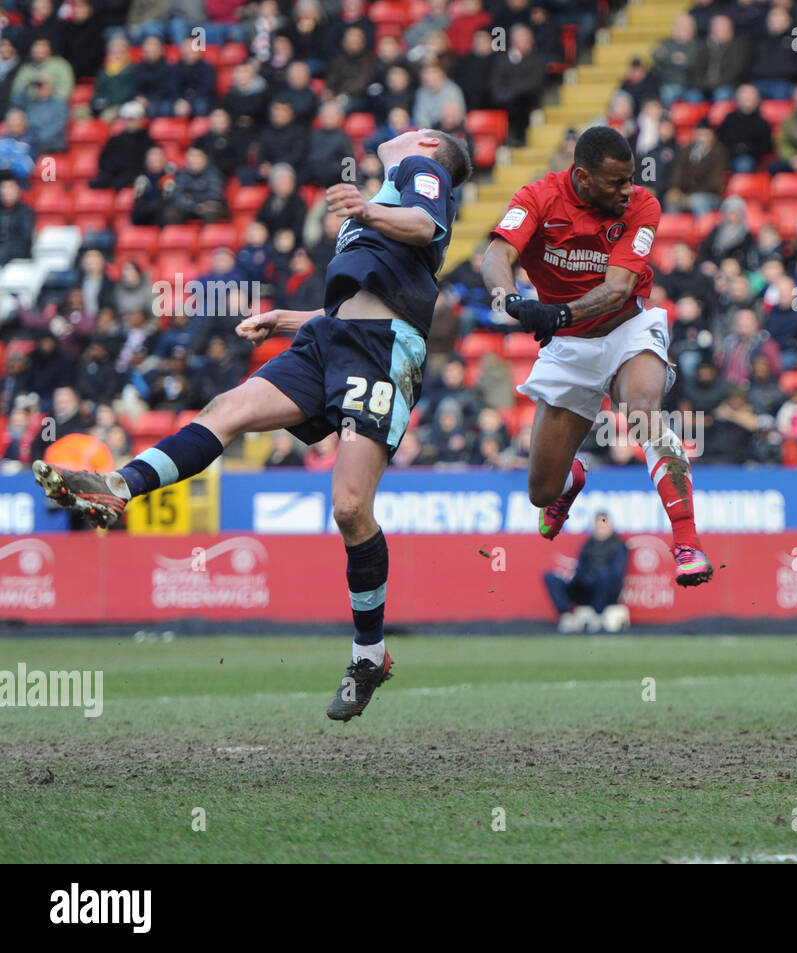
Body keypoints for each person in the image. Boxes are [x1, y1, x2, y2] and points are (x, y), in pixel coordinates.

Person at [32, 129, 472, 723]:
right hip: (328, 338)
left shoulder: (424, 170)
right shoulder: (385, 197)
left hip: (380, 350)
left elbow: (426, 227)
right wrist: (291, 320)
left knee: (348, 506)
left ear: (424, 141)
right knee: (225, 410)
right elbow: (357, 298)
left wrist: (368, 208)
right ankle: (120, 488)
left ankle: (370, 654)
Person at [481, 126, 713, 587]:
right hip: (569, 349)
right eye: (616, 182)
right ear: (582, 178)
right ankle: (573, 480)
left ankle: (687, 541)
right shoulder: (539, 198)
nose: (628, 190)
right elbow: (496, 254)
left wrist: (557, 314)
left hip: (627, 328)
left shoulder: (643, 206)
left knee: (644, 412)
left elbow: (619, 288)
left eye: (630, 178)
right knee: (540, 491)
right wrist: (509, 301)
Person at [543, 511, 629, 632]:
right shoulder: (588, 545)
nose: (601, 528)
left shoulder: (619, 546)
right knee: (551, 577)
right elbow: (580, 568)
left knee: (602, 575)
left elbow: (617, 572)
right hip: (585, 587)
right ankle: (566, 616)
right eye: (598, 525)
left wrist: (595, 575)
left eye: (604, 524)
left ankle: (597, 616)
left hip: (606, 590)